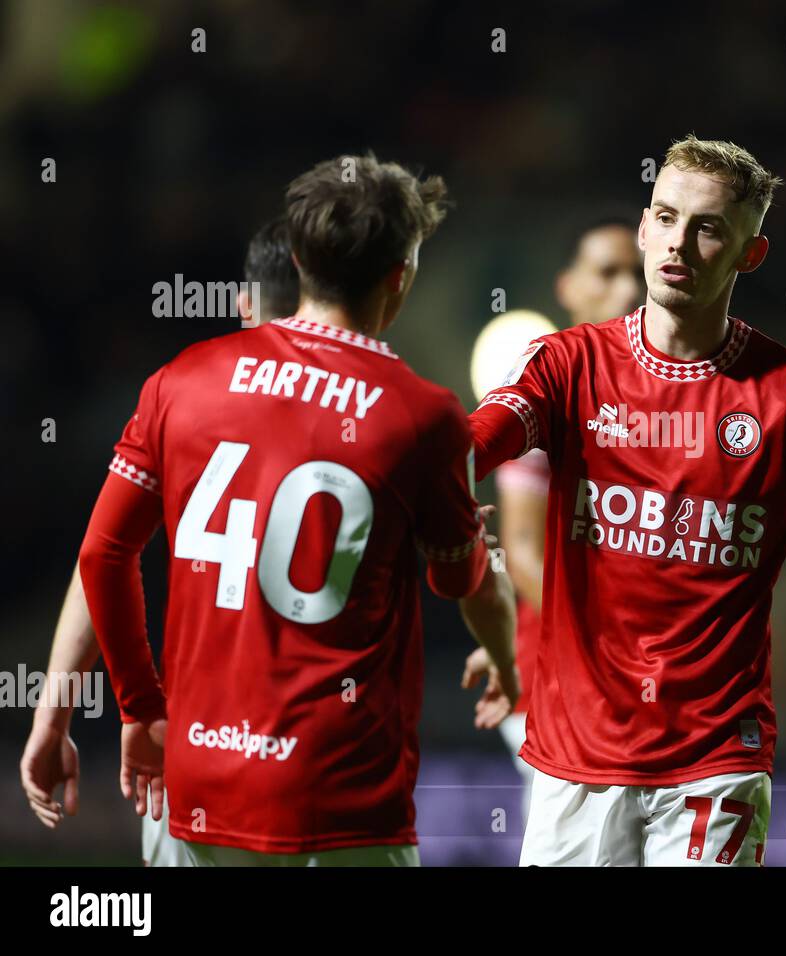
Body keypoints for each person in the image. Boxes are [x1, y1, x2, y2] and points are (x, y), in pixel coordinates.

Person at [470, 135, 786, 866]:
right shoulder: (567, 364)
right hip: (576, 759)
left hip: (717, 761)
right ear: (644, 227)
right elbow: (475, 444)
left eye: (708, 227)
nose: (679, 242)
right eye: (666, 217)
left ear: (751, 253)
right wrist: (427, 485)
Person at [75, 155, 517, 865]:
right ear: (400, 275)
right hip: (341, 800)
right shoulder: (424, 416)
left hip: (198, 782)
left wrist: (139, 707)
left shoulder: (182, 378)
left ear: (300, 256)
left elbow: (103, 555)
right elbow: (461, 582)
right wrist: (505, 655)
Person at [20, 215, 300, 865]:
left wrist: (56, 713)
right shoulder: (370, 410)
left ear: (243, 302)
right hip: (319, 770)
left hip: (190, 761)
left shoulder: (180, 388)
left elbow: (102, 553)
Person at [462, 218, 642, 810]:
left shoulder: (668, 392)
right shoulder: (547, 387)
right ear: (567, 286)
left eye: (637, 274)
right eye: (608, 272)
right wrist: (607, 643)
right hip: (562, 680)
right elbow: (521, 549)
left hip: (643, 676)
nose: (629, 290)